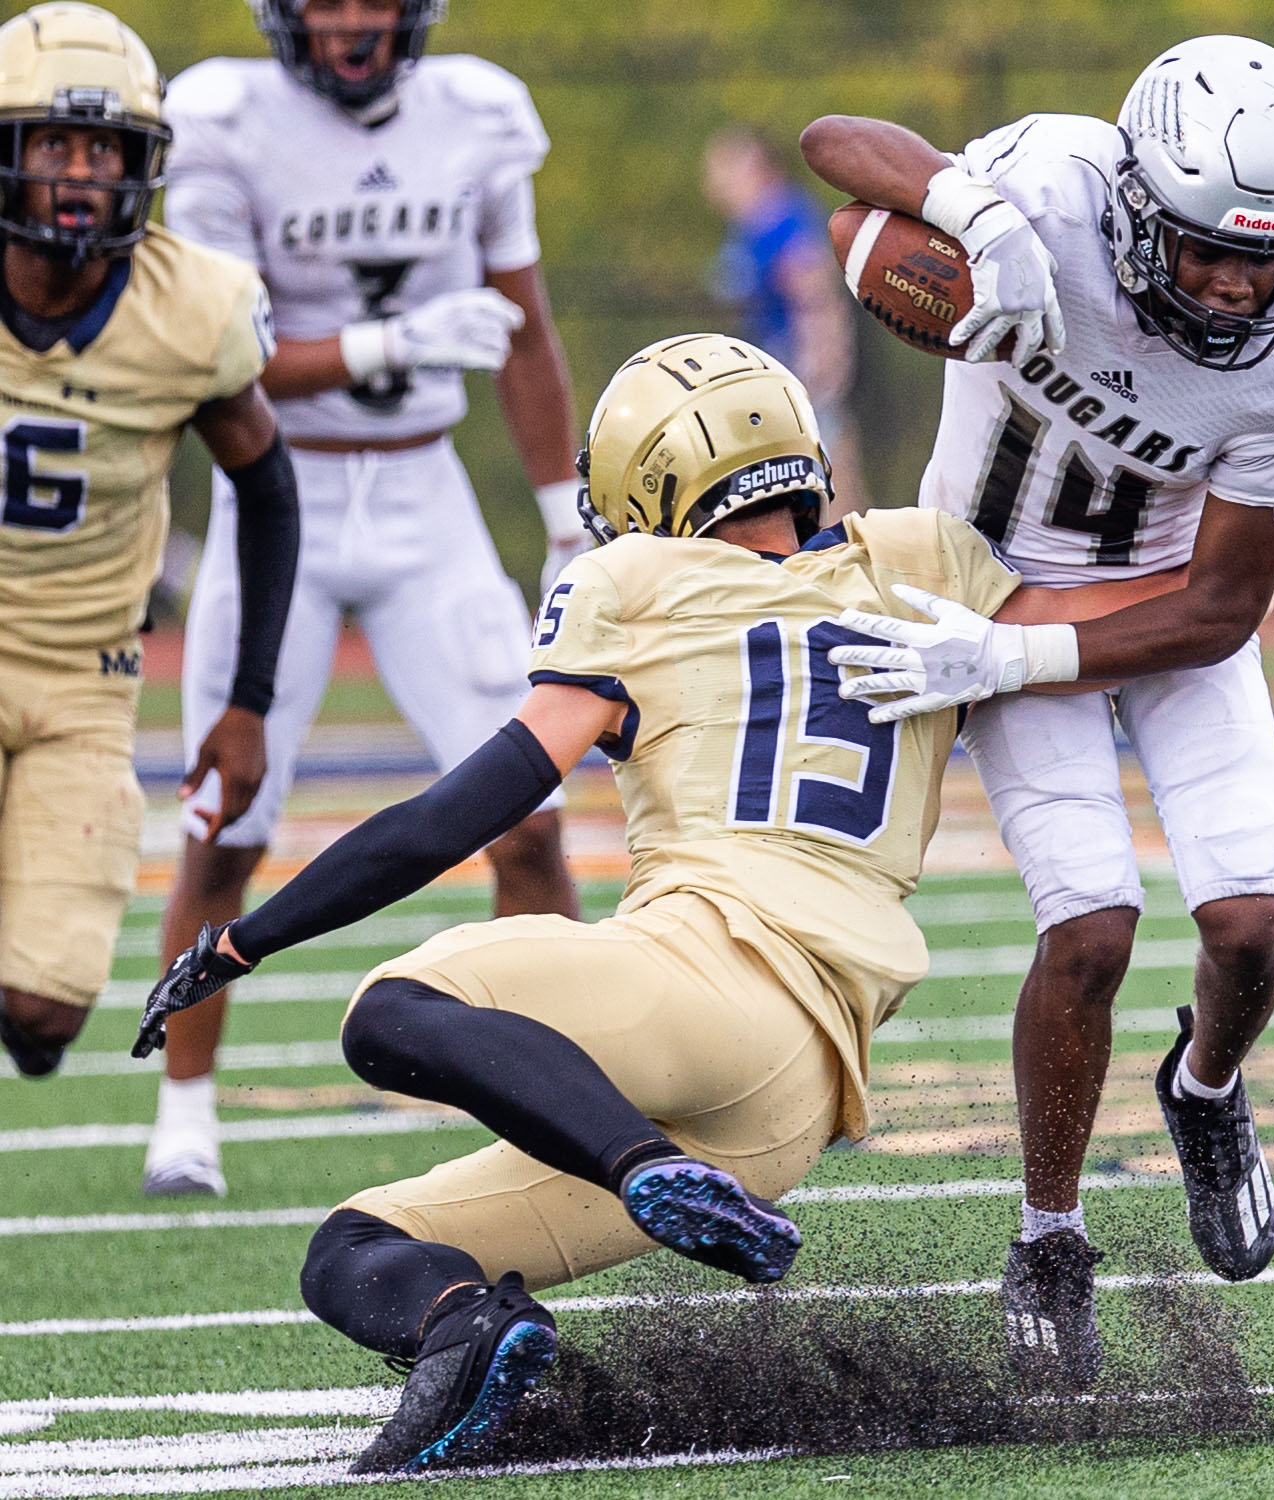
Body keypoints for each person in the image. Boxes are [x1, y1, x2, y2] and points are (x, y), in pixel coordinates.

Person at [133, 334, 1181, 1472]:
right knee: (358, 1247)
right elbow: (1137, 612)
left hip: (699, 979)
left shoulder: (634, 584)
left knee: (391, 1016)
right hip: (793, 1102)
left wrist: (247, 936)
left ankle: (641, 1168)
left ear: (650, 483)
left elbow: (464, 809)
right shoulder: (926, 561)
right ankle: (478, 1334)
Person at [801, 33, 1274, 1387]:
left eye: (1267, 258)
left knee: (1245, 926)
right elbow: (837, 149)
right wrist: (970, 210)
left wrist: (1009, 665)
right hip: (982, 587)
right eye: (1207, 250)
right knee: (1090, 930)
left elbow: (1222, 607)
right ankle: (1046, 1236)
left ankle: (1206, 1092)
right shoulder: (1050, 185)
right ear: (1127, 209)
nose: (1241, 285)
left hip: (1158, 617)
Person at [144, 0, 585, 1198]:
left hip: (424, 498)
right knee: (222, 823)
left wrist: (560, 521)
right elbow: (215, 350)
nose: (352, 20)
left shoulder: (478, 112)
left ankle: (563, 1079)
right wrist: (387, 344)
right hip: (276, 495)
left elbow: (528, 331)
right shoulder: (225, 119)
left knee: (531, 808)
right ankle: (183, 1113)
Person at [0, 4, 298, 1080]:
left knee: (43, 1020)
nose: (81, 174)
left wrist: (247, 701)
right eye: (56, 145)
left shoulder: (192, 309)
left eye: (103, 149)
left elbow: (266, 485)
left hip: (86, 675)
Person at [704, 124, 867, 519]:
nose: (713, 180)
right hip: (769, 375)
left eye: (722, 167)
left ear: (754, 167)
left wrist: (823, 365)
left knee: (827, 470)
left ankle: (852, 557)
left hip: (798, 370)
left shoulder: (783, 219)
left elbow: (815, 297)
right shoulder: (747, 227)